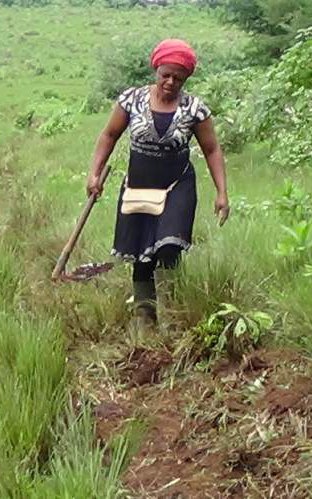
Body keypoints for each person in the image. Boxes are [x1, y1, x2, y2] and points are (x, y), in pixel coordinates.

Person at [85, 39, 230, 331]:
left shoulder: (195, 109)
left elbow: (212, 149)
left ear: (186, 78)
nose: (170, 82)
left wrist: (222, 192)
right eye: (166, 74)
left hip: (177, 185)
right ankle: (145, 317)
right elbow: (108, 136)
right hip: (138, 185)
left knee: (168, 245)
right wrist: (94, 173)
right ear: (156, 70)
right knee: (141, 251)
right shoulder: (131, 100)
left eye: (178, 77)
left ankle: (176, 309)